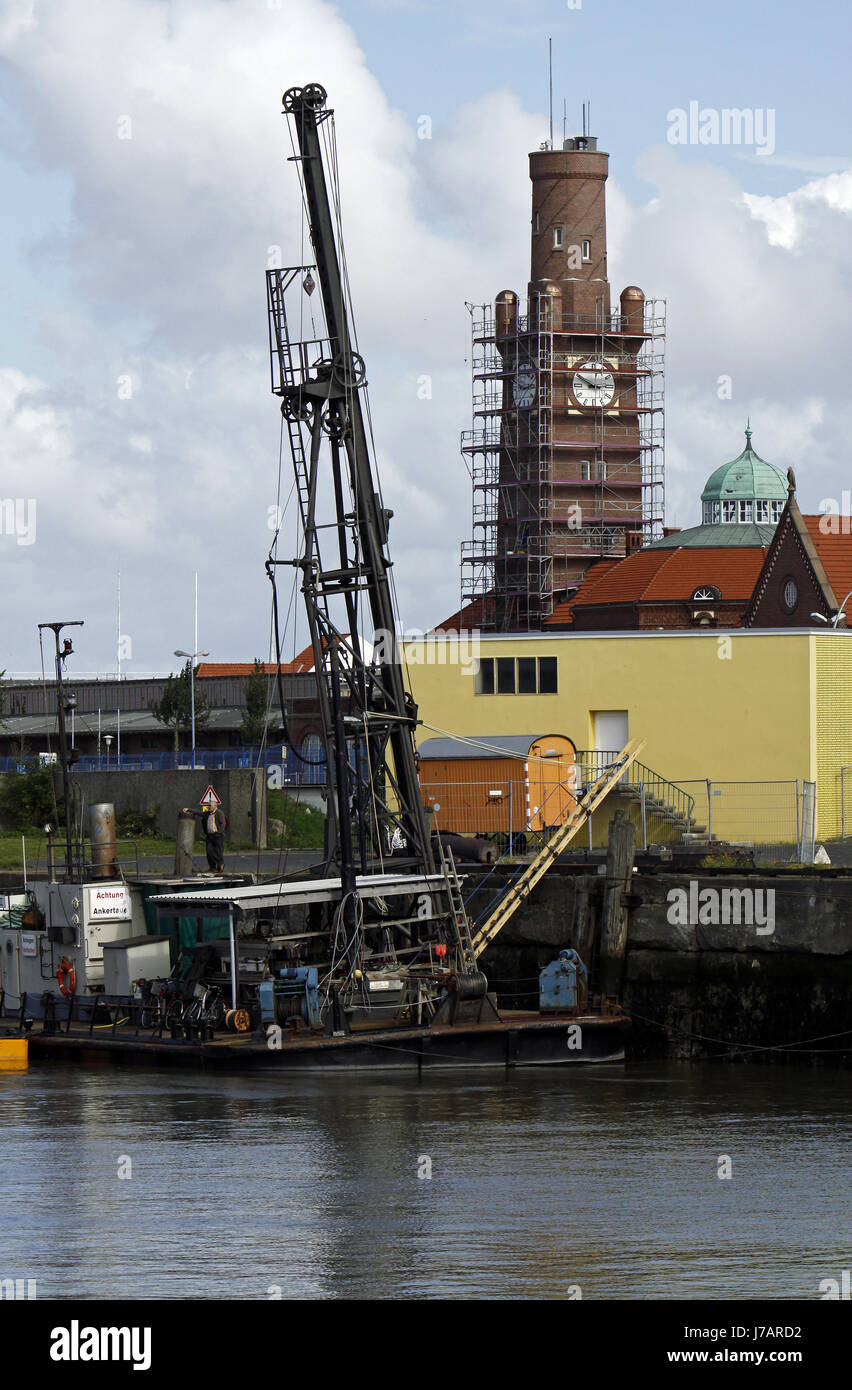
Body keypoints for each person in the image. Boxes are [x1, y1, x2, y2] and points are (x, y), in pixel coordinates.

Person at [183, 802, 229, 873]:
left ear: (215, 806)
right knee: (209, 851)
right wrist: (189, 809)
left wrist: (219, 832)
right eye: (208, 805)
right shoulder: (207, 813)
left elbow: (223, 823)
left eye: (210, 805)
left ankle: (220, 865)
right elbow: (199, 813)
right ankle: (212, 867)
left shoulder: (219, 812)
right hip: (210, 836)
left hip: (217, 836)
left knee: (218, 851)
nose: (208, 807)